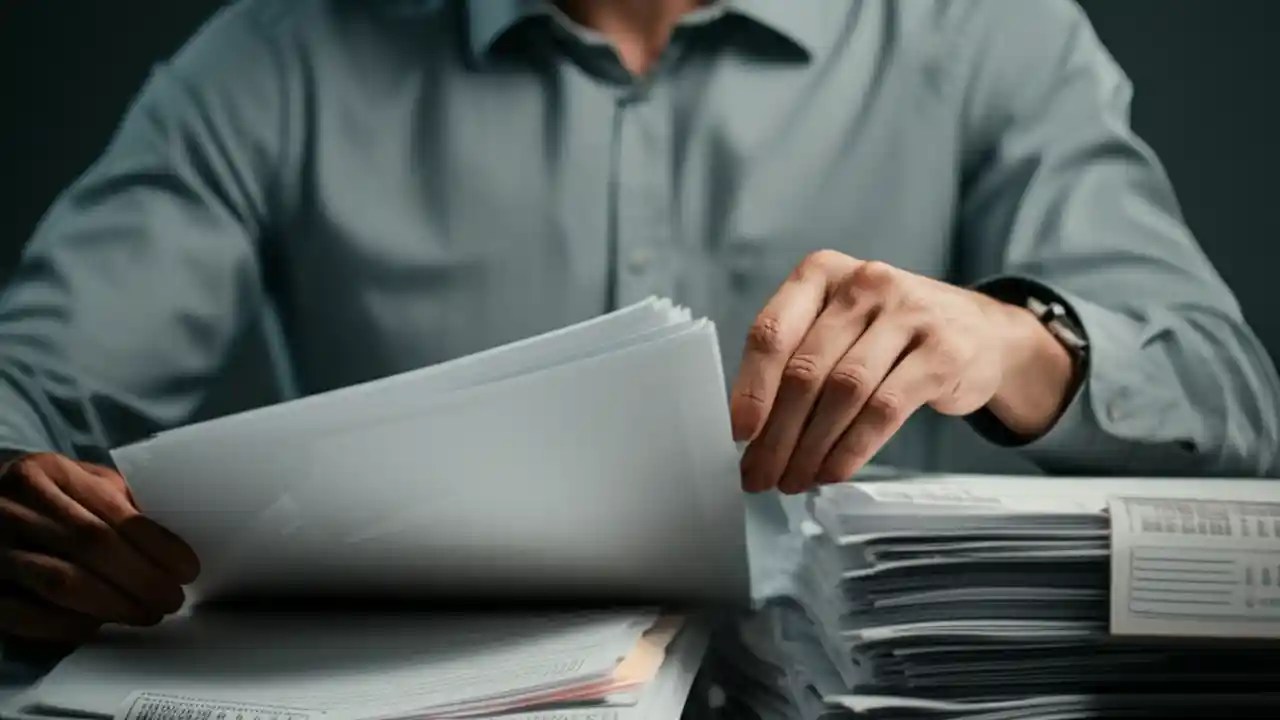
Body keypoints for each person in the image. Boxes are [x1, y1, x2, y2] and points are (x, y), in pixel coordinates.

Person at [1, 0, 1276, 644]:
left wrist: (1019, 343)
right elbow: (33, 378)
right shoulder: (277, 55)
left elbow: (1231, 405)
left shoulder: (983, 29)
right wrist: (18, 501)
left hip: (845, 684)